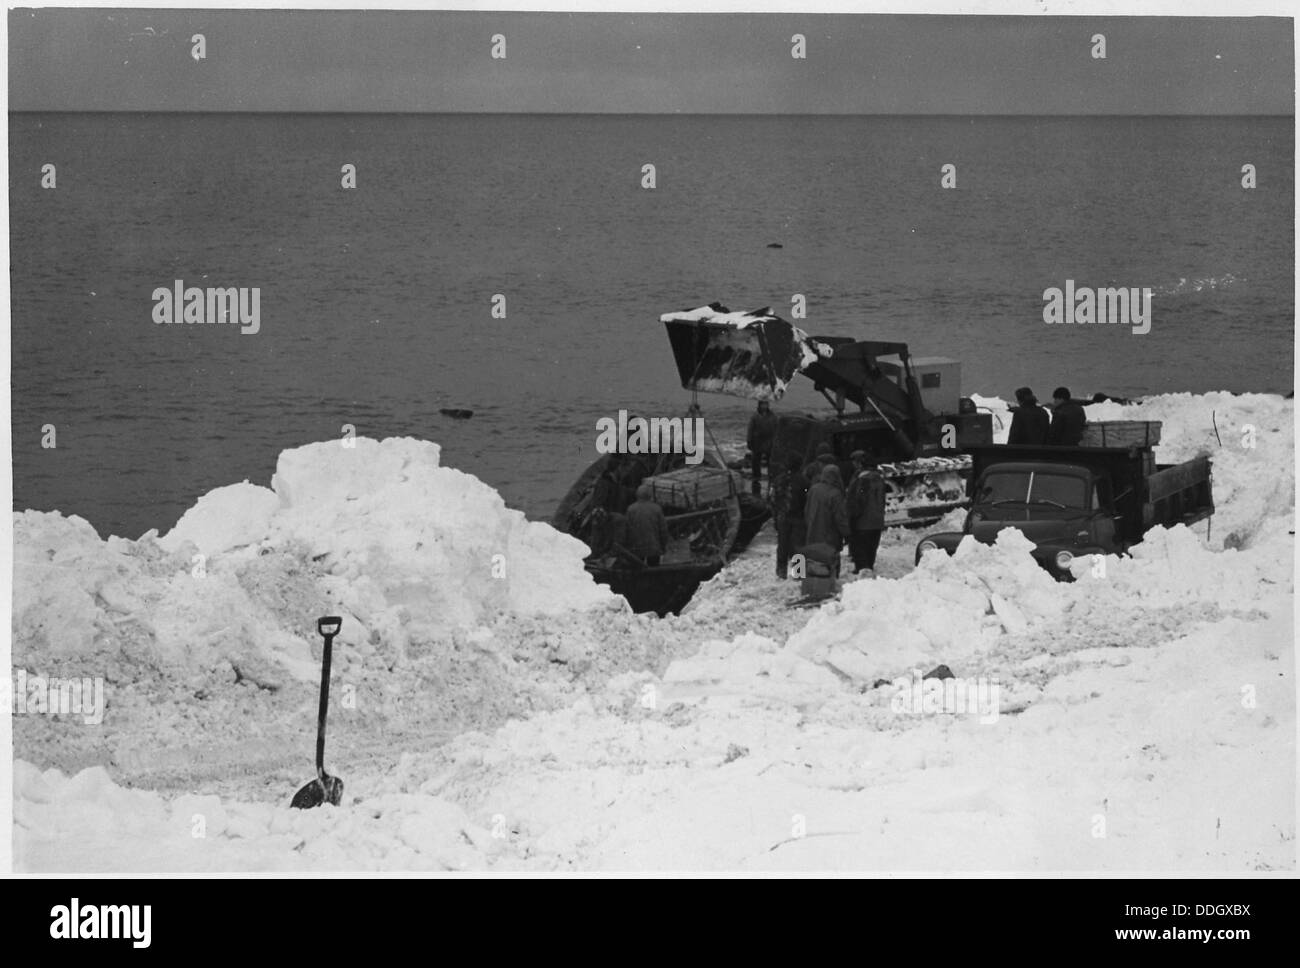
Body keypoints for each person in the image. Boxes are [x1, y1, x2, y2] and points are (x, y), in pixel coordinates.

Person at [803, 464, 851, 577]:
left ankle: (812, 583)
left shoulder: (813, 489)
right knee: (830, 563)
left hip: (813, 533)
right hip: (830, 536)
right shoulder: (835, 494)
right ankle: (829, 584)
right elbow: (840, 518)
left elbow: (806, 511)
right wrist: (847, 534)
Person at [846, 451, 886, 575]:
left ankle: (863, 577)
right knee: (871, 550)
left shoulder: (862, 480)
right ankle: (869, 571)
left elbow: (858, 502)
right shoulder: (879, 479)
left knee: (861, 551)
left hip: (863, 523)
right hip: (877, 522)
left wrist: (851, 518)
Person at [772, 455, 810, 579]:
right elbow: (807, 499)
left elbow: (773, 499)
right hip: (798, 517)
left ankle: (781, 570)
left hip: (782, 516)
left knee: (782, 543)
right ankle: (798, 573)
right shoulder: (804, 481)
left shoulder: (778, 480)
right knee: (798, 545)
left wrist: (775, 516)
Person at [624, 484, 669, 566]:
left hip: (636, 549)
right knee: (654, 572)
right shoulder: (657, 509)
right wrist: (663, 546)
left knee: (637, 572)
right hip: (654, 548)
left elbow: (627, 530)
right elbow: (663, 530)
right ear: (649, 495)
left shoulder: (630, 510)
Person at [747, 400, 778, 496]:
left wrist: (777, 440)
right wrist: (749, 440)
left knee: (770, 460)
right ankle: (756, 476)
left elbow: (777, 428)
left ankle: (771, 476)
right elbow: (750, 429)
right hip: (757, 441)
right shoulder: (755, 417)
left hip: (769, 441)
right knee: (756, 459)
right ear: (759, 405)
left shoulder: (773, 416)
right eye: (763, 404)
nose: (764, 406)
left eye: (766, 404)